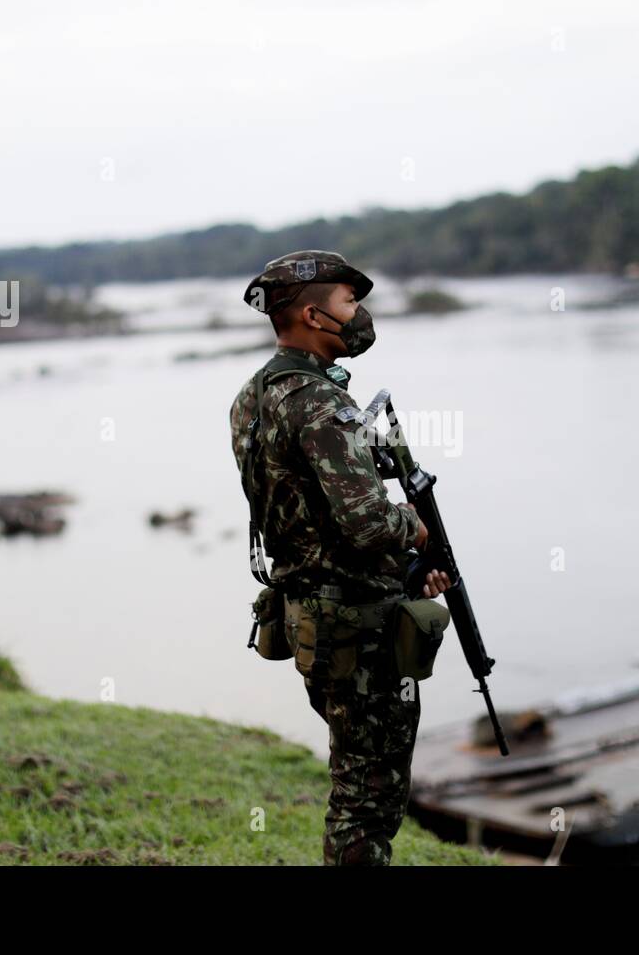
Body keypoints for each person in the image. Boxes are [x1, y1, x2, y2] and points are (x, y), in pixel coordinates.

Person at [229, 250, 450, 865]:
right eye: (349, 302)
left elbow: (308, 520)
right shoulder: (322, 404)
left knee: (352, 784)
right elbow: (367, 521)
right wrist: (415, 531)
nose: (360, 314)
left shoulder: (252, 398)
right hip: (359, 632)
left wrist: (405, 571)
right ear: (311, 315)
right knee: (368, 804)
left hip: (313, 621)